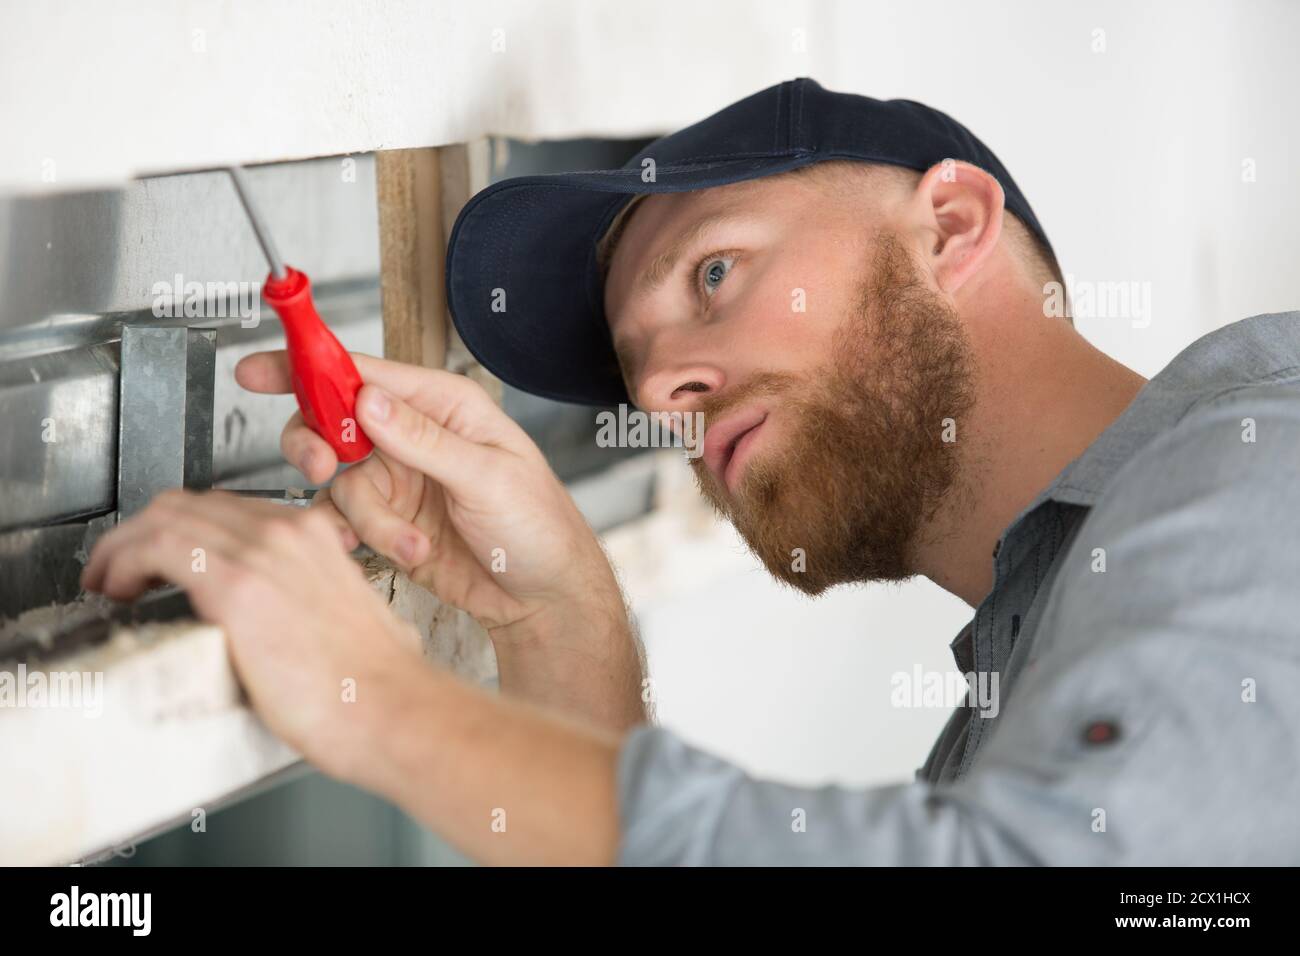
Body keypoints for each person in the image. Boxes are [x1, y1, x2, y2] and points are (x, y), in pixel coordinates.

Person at [83, 79, 1300, 865]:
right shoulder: (1027, 687)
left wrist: (370, 699)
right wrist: (561, 616)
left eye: (714, 274)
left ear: (951, 225)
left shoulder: (1260, 464)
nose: (662, 390)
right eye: (636, 365)